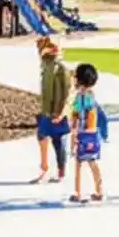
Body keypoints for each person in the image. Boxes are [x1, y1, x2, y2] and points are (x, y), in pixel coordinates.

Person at [34, 37, 71, 184]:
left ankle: (61, 171)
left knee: (58, 142)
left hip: (57, 112)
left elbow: (67, 92)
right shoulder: (45, 65)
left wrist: (61, 111)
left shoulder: (61, 69)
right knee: (42, 136)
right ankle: (44, 168)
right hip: (46, 111)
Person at [69, 63, 105, 203]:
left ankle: (78, 193)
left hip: (83, 133)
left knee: (79, 163)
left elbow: (76, 114)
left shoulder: (81, 97)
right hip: (92, 134)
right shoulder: (91, 96)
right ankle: (99, 190)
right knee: (92, 162)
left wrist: (74, 128)